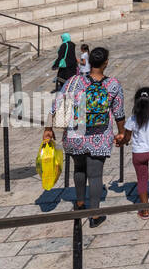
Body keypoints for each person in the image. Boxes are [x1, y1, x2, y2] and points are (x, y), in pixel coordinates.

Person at [44, 46, 126, 226]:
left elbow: (56, 104)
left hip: (75, 135)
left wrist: (48, 128)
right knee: (95, 176)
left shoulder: (74, 81)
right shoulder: (112, 84)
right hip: (99, 136)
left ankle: (80, 204)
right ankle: (95, 216)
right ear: (106, 63)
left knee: (79, 168)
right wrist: (121, 133)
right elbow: (119, 113)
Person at [124, 86, 149, 218]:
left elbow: (127, 138)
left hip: (139, 153)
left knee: (142, 180)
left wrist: (120, 140)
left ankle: (144, 209)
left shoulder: (132, 120)